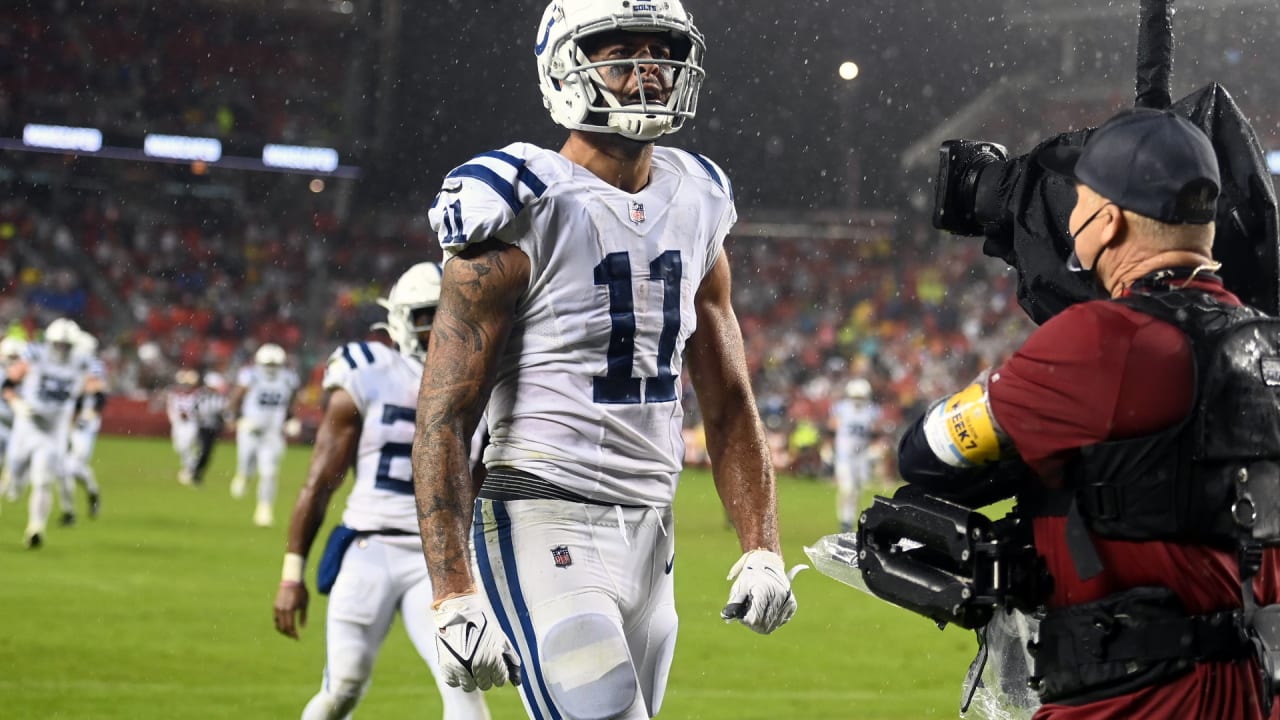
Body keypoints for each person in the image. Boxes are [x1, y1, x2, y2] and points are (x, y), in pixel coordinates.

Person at [412, 2, 799, 717]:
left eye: (662, 49)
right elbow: (446, 412)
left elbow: (728, 398)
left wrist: (762, 544)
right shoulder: (520, 200)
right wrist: (452, 590)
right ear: (563, 62)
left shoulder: (700, 195)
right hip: (541, 513)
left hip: (653, 526)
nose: (648, 67)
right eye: (619, 50)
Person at [897, 108, 1280, 718]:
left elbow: (925, 452)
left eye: (1078, 202)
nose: (1069, 220)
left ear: (1107, 222)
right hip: (1253, 687)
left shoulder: (1099, 343)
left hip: (1133, 698)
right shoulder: (1265, 340)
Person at [273, 262, 490, 720]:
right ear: (399, 318)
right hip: (370, 546)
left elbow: (488, 487)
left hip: (442, 564)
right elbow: (319, 481)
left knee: (467, 693)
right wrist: (293, 574)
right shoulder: (368, 371)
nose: (438, 326)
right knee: (343, 688)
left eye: (450, 312)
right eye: (428, 313)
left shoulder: (488, 380)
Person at [2, 318, 92, 547]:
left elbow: (88, 392)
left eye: (66, 345)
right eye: (58, 344)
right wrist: (18, 405)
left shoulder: (81, 362)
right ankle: (12, 482)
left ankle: (36, 528)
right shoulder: (35, 354)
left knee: (42, 480)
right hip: (27, 424)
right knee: (13, 479)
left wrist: (79, 418)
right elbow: (9, 386)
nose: (61, 349)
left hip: (54, 429)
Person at [228, 342, 299, 527]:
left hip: (273, 433)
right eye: (268, 365)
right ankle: (243, 476)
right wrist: (237, 419)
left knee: (269, 472)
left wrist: (290, 419)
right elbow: (236, 398)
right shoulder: (250, 376)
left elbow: (289, 403)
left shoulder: (288, 378)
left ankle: (264, 508)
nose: (271, 369)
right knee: (246, 462)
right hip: (250, 429)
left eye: (274, 365)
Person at [61, 327, 105, 519]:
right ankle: (69, 510)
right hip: (64, 421)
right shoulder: (65, 364)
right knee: (61, 467)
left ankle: (91, 492)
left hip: (83, 426)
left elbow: (98, 395)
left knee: (71, 466)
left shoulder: (92, 366)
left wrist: (89, 412)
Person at [829, 377, 880, 533]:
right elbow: (831, 427)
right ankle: (845, 522)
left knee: (857, 490)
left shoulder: (872, 410)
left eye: (861, 397)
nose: (859, 401)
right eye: (856, 397)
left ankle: (849, 521)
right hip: (845, 455)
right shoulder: (842, 408)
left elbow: (875, 431)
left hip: (861, 455)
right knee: (848, 489)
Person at [190, 371, 228, 486]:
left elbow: (225, 412)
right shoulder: (200, 396)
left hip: (213, 428)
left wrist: (224, 419)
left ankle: (196, 472)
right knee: (203, 450)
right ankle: (194, 471)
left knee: (207, 452)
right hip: (202, 427)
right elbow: (194, 410)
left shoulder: (219, 398)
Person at [167, 368, 201, 486]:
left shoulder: (197, 395)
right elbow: (171, 409)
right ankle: (191, 465)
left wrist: (190, 415)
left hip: (191, 424)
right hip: (178, 424)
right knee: (179, 447)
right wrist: (176, 418)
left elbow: (199, 410)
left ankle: (190, 468)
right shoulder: (175, 395)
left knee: (186, 445)